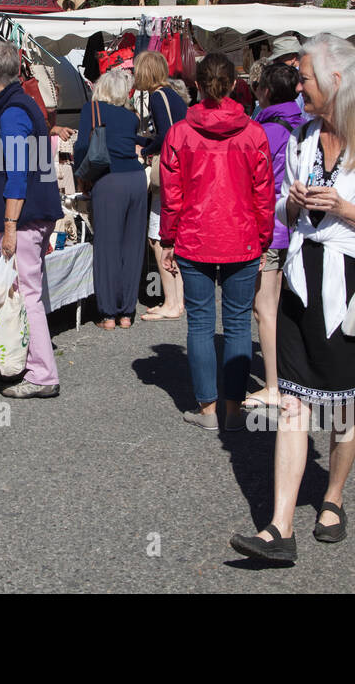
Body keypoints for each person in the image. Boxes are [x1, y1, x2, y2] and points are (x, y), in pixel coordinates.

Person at [229, 35, 355, 563]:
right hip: (304, 281)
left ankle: (332, 498)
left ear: (335, 82)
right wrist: (293, 206)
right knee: (293, 402)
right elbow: (287, 214)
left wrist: (346, 209)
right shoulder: (303, 136)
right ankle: (279, 527)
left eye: (304, 76)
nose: (298, 84)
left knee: (346, 402)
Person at [159, 54, 273, 433]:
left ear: (197, 84)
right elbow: (264, 193)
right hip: (240, 236)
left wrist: (168, 237)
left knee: (202, 322)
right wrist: (264, 237)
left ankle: (208, 410)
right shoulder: (253, 133)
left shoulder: (180, 133)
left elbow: (171, 195)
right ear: (234, 83)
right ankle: (233, 409)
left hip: (196, 236)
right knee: (239, 323)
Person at [0, 41, 65, 399]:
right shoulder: (24, 102)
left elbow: (16, 171)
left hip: (25, 218)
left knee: (28, 295)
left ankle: (43, 375)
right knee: (31, 293)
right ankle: (34, 364)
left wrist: (10, 226)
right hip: (34, 215)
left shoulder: (13, 111)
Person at [244, 61, 305, 410]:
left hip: (270, 227)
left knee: (264, 308)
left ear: (265, 91)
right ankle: (286, 378)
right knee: (282, 306)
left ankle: (273, 385)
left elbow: (253, 181)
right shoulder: (304, 125)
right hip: (297, 226)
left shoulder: (265, 131)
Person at [74, 67, 148, 329]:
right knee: (132, 247)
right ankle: (126, 313)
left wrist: (81, 175)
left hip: (109, 179)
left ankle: (108, 314)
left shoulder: (91, 110)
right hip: (137, 180)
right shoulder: (131, 117)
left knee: (107, 247)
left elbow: (83, 146)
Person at [133, 50, 188, 322]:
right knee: (173, 239)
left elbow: (167, 134)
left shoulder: (157, 96)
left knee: (158, 237)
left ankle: (170, 302)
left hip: (169, 174)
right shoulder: (172, 94)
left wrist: (145, 150)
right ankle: (177, 301)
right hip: (184, 172)